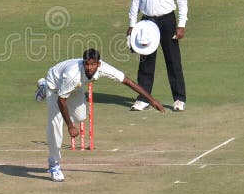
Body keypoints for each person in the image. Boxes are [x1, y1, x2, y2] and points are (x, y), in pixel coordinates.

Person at [34, 48, 163, 182]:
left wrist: (151, 99)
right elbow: (61, 101)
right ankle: (54, 164)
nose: (89, 68)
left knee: (81, 116)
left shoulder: (104, 68)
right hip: (55, 86)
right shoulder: (72, 74)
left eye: (93, 64)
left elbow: (127, 81)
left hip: (75, 87)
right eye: (87, 64)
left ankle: (43, 88)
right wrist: (70, 126)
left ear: (98, 64)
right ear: (83, 63)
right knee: (56, 125)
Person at [127, 0, 188, 112]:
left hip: (167, 20)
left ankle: (179, 98)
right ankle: (143, 98)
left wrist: (181, 24)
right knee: (145, 60)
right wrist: (132, 24)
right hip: (147, 21)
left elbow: (182, 0)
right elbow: (135, 0)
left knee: (173, 59)